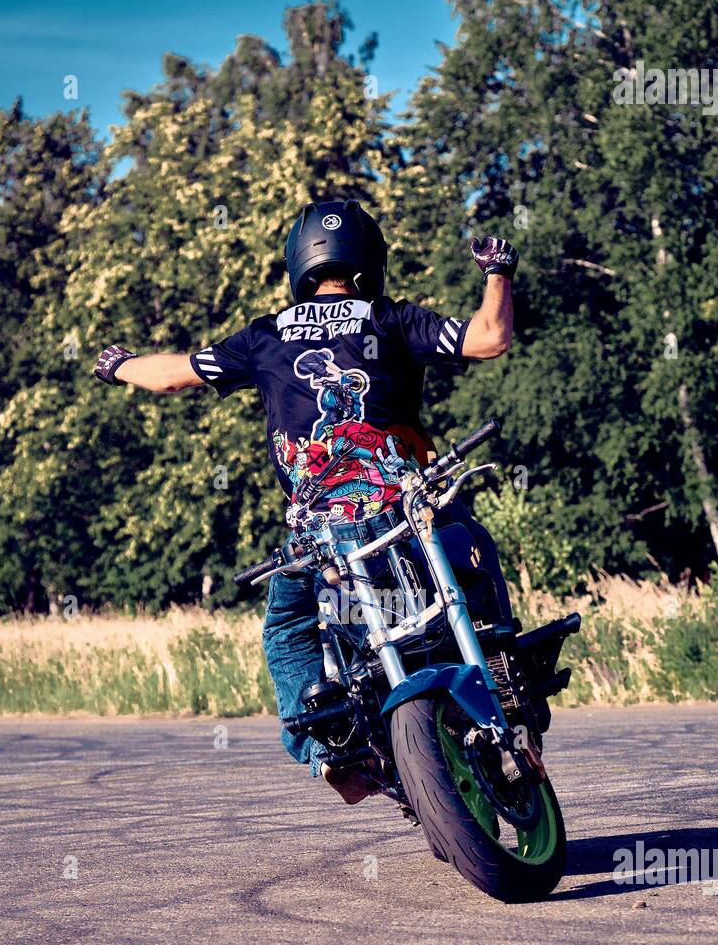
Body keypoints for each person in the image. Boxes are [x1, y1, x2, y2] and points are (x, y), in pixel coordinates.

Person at [94, 199, 517, 802]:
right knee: (472, 546)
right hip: (402, 513)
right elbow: (490, 337)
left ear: (300, 263)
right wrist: (498, 272)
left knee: (288, 629)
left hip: (319, 537)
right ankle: (503, 663)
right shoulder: (389, 318)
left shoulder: (265, 335)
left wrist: (118, 365)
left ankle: (328, 754)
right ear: (369, 259)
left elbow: (171, 375)